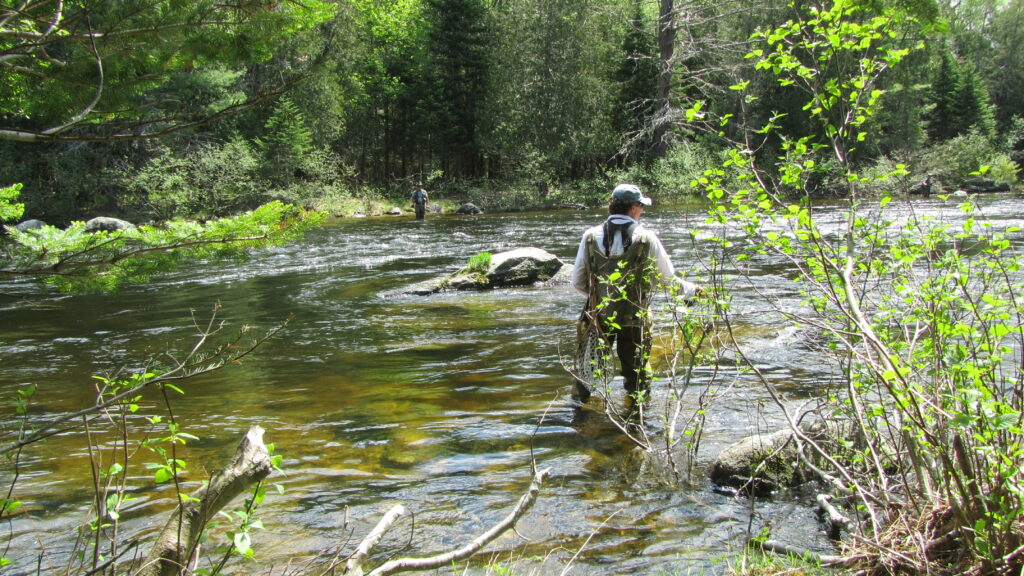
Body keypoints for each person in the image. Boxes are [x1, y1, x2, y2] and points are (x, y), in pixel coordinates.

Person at [571, 183, 698, 399]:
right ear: (633, 208)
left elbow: (578, 282)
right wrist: (692, 291)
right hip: (635, 319)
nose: (642, 211)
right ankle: (637, 423)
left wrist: (600, 299)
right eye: (641, 207)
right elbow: (668, 280)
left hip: (597, 316)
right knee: (637, 377)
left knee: (586, 372)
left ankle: (580, 420)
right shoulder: (648, 238)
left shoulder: (590, 236)